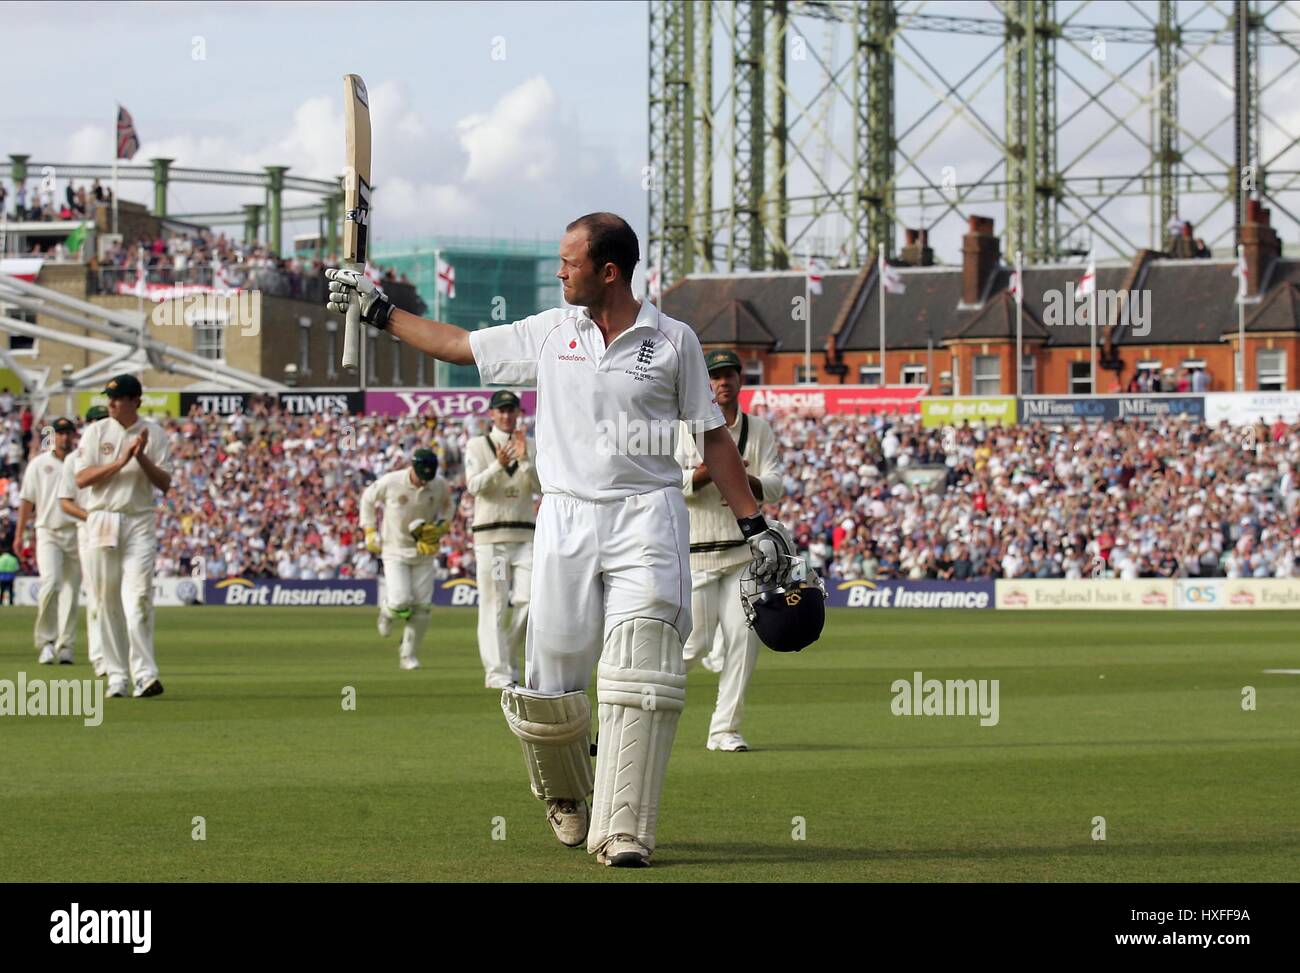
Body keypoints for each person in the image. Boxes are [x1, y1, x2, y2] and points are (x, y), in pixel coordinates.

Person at [325, 211, 789, 868]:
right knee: (553, 675)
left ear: (608, 270)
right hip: (567, 517)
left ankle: (625, 825)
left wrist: (755, 524)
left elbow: (713, 436)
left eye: (568, 262)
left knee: (642, 666)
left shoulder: (675, 340)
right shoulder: (550, 332)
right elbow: (460, 344)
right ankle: (567, 794)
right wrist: (381, 312)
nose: (558, 271)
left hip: (647, 515)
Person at [674, 349, 785, 752]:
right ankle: (638, 710)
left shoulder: (759, 429)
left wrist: (741, 477)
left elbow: (775, 486)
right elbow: (671, 482)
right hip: (697, 555)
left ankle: (725, 730)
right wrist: (707, 473)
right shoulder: (682, 428)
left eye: (729, 375)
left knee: (744, 639)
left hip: (744, 555)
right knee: (691, 645)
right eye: (715, 376)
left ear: (740, 380)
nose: (723, 383)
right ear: (706, 382)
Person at [73, 375, 172, 698]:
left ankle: (144, 674)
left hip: (138, 519)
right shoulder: (96, 431)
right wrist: (122, 460)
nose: (111, 404)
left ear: (136, 401)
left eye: (118, 398)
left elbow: (164, 483)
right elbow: (83, 478)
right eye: (109, 398)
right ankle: (117, 675)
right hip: (102, 518)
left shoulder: (154, 434)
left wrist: (141, 455)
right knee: (106, 599)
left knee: (139, 597)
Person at [463, 389, 540, 689]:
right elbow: (474, 487)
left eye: (511, 410)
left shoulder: (530, 445)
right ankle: (496, 672)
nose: (506, 415)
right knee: (494, 605)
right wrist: (497, 464)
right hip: (491, 538)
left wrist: (524, 462)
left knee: (531, 602)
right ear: (492, 414)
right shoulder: (477, 445)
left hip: (524, 536)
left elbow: (542, 486)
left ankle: (507, 658)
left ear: (518, 413)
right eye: (501, 410)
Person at [360, 447, 453, 670]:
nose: (423, 483)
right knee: (401, 600)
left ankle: (408, 655)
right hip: (394, 549)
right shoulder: (392, 481)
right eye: (421, 477)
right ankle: (386, 612)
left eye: (427, 478)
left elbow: (449, 505)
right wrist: (370, 530)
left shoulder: (438, 484)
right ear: (413, 468)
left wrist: (443, 525)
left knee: (422, 607)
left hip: (424, 550)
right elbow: (367, 498)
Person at [16, 417, 81, 664]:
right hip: (47, 531)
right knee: (50, 583)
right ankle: (47, 641)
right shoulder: (39, 464)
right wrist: (21, 535)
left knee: (71, 592)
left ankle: (66, 645)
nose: (64, 438)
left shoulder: (79, 462)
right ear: (52, 436)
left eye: (68, 433)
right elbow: (26, 500)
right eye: (60, 433)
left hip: (74, 532)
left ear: (74, 436)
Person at [59, 405, 109, 676]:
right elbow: (65, 502)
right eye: (95, 422)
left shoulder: (118, 453)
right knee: (96, 595)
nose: (99, 426)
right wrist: (89, 517)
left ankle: (118, 654)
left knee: (119, 595)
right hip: (90, 532)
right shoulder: (74, 459)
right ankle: (100, 657)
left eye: (103, 421)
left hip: (118, 529)